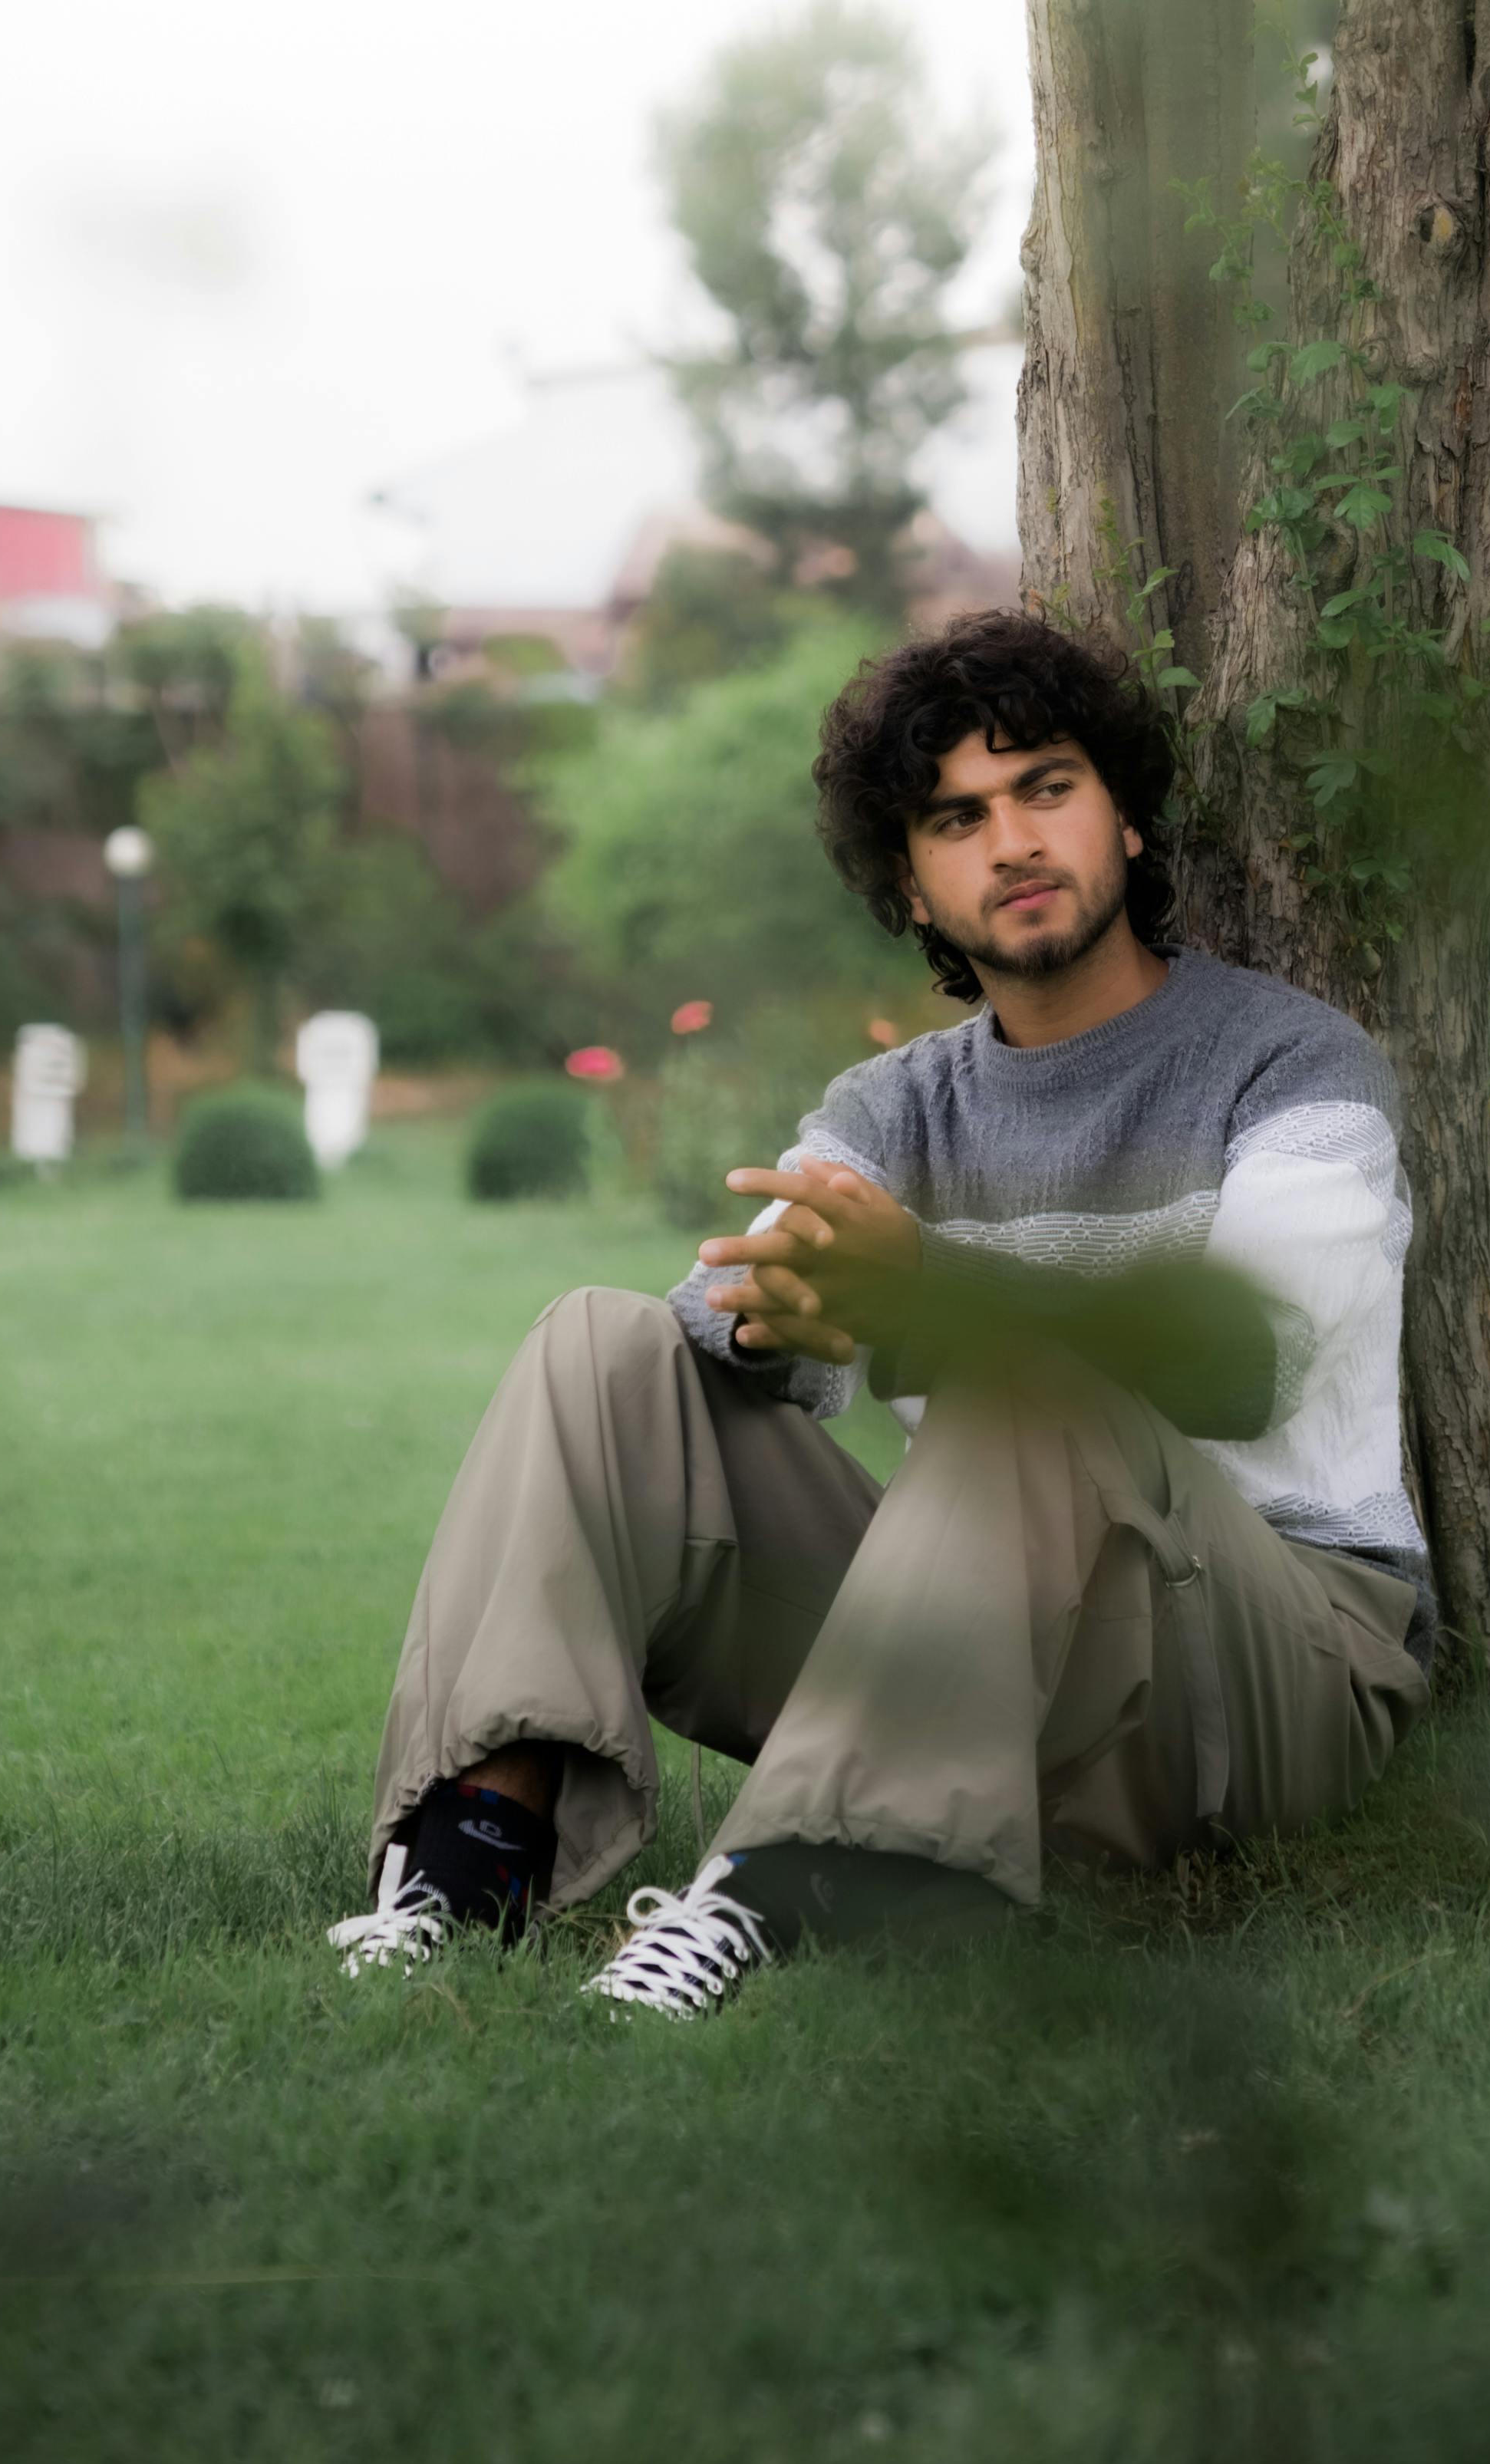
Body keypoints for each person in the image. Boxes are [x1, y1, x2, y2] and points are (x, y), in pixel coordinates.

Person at [329, 611, 1430, 2023]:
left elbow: (1240, 1360)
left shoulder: (1292, 1063)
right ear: (913, 891)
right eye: (956, 819)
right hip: (999, 1657)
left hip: (1281, 1671)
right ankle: (466, 1861)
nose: (1013, 843)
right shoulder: (894, 1105)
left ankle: (773, 1888)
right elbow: (729, 1297)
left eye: (1047, 788)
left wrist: (927, 1287)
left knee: (1023, 1388)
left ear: (1129, 823)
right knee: (597, 1343)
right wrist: (776, 1313)